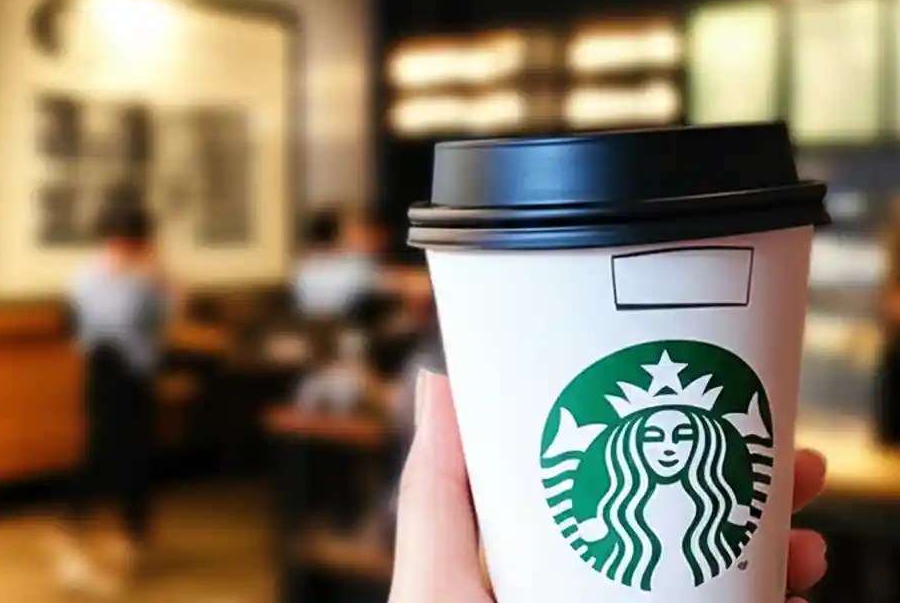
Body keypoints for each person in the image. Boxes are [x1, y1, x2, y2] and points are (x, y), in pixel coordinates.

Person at [388, 371, 829, 602]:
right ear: (632, 446)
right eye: (654, 437)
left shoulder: (725, 514)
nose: (669, 448)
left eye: (683, 436)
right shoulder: (606, 522)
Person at [56, 205, 168, 593]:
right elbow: (97, 325)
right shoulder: (90, 276)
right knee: (102, 454)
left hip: (139, 372)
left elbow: (163, 319)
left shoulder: (149, 275)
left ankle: (134, 539)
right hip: (107, 370)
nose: (127, 247)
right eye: (122, 240)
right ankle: (72, 537)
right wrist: (147, 282)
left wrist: (158, 280)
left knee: (137, 454)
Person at [293, 209, 380, 319]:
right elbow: (375, 281)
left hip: (309, 326)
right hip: (347, 325)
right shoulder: (351, 264)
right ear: (336, 235)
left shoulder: (302, 266)